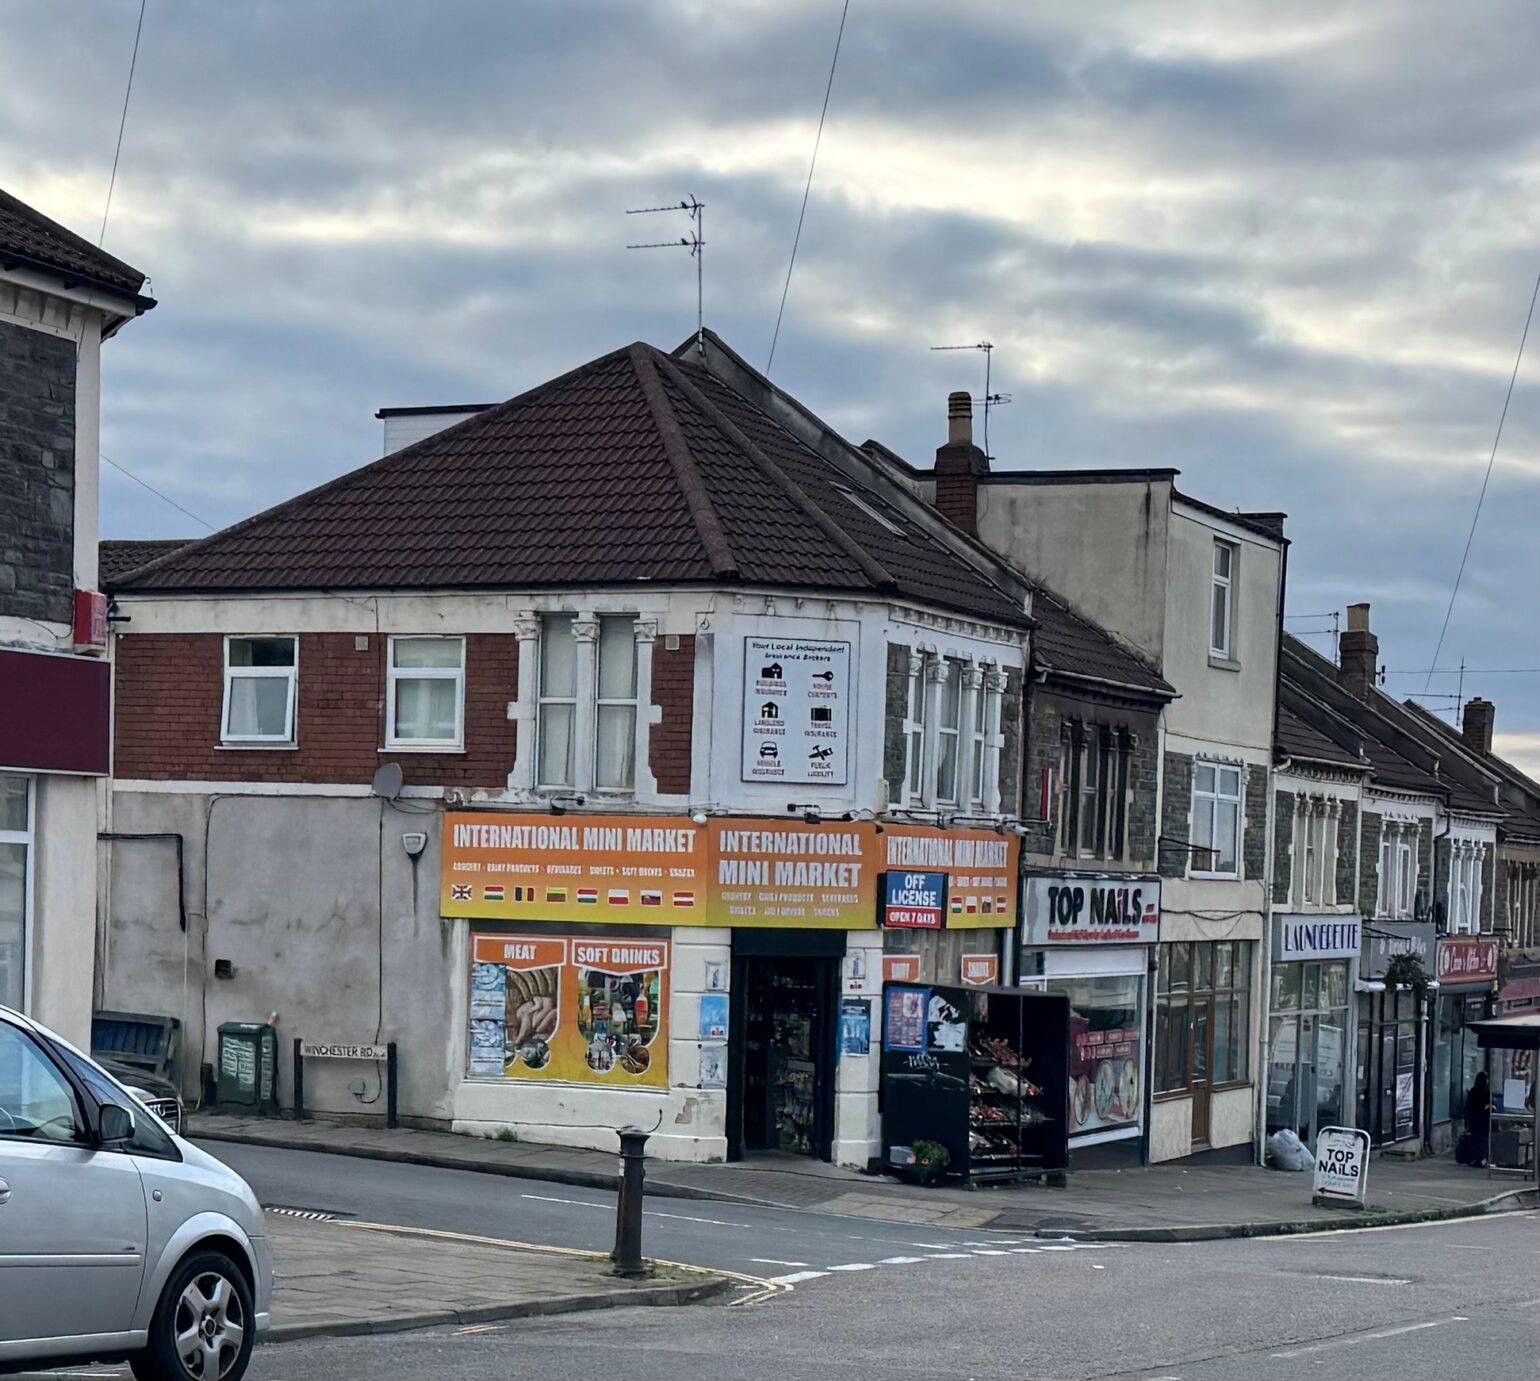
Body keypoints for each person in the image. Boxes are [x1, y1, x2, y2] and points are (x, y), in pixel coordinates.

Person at [1462, 1070, 1492, 1167]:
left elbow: (1469, 1107)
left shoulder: (1473, 1091)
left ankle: (1476, 1158)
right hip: (1483, 1120)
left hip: (1474, 1120)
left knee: (1476, 1140)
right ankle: (1480, 1158)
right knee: (1482, 1140)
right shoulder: (1486, 1092)